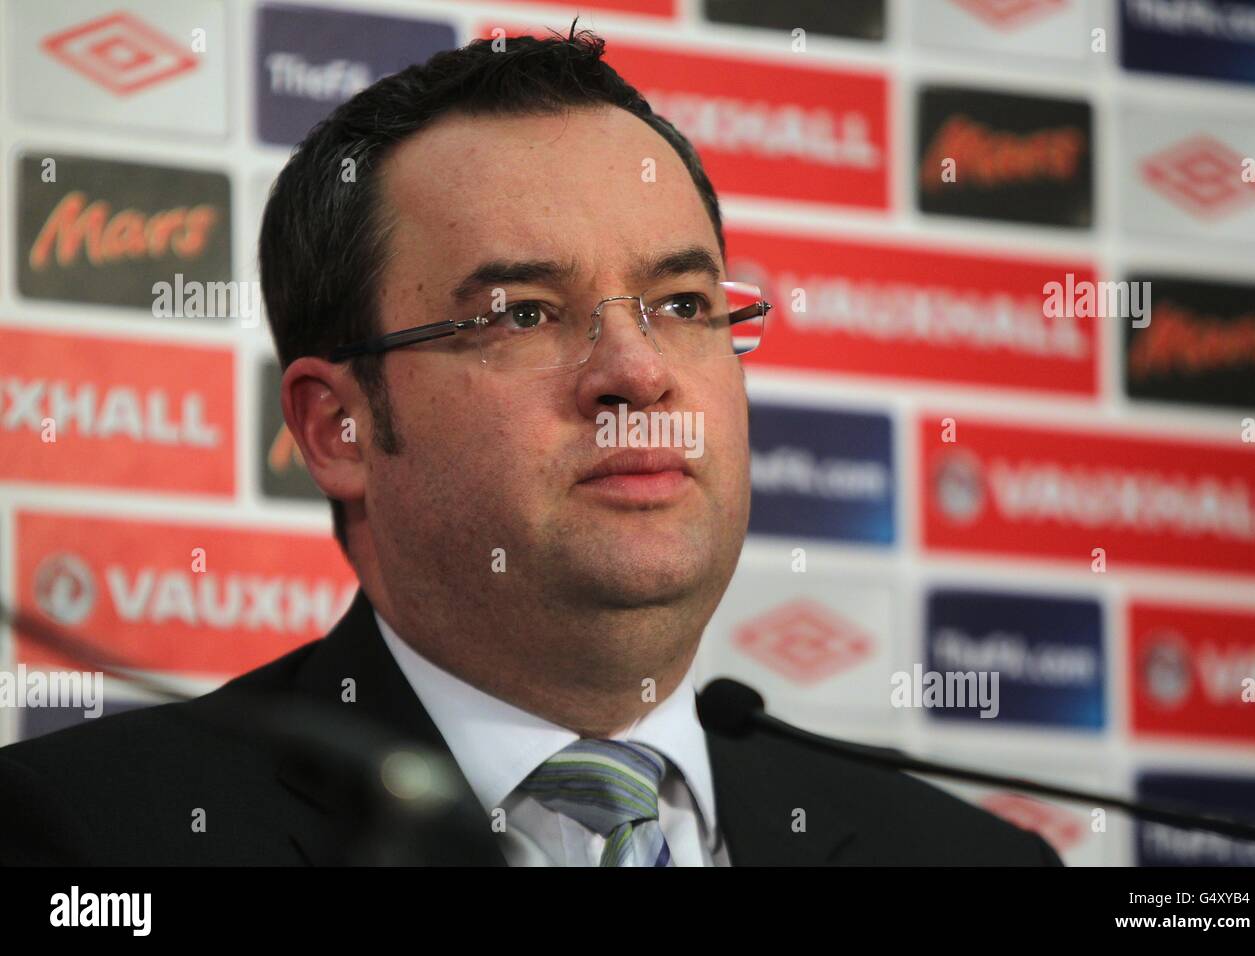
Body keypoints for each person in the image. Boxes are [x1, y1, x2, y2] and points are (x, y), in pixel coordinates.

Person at [0, 28, 1062, 867]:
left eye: (684, 302)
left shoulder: (964, 854)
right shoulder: (89, 839)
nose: (639, 372)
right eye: (521, 313)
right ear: (339, 426)